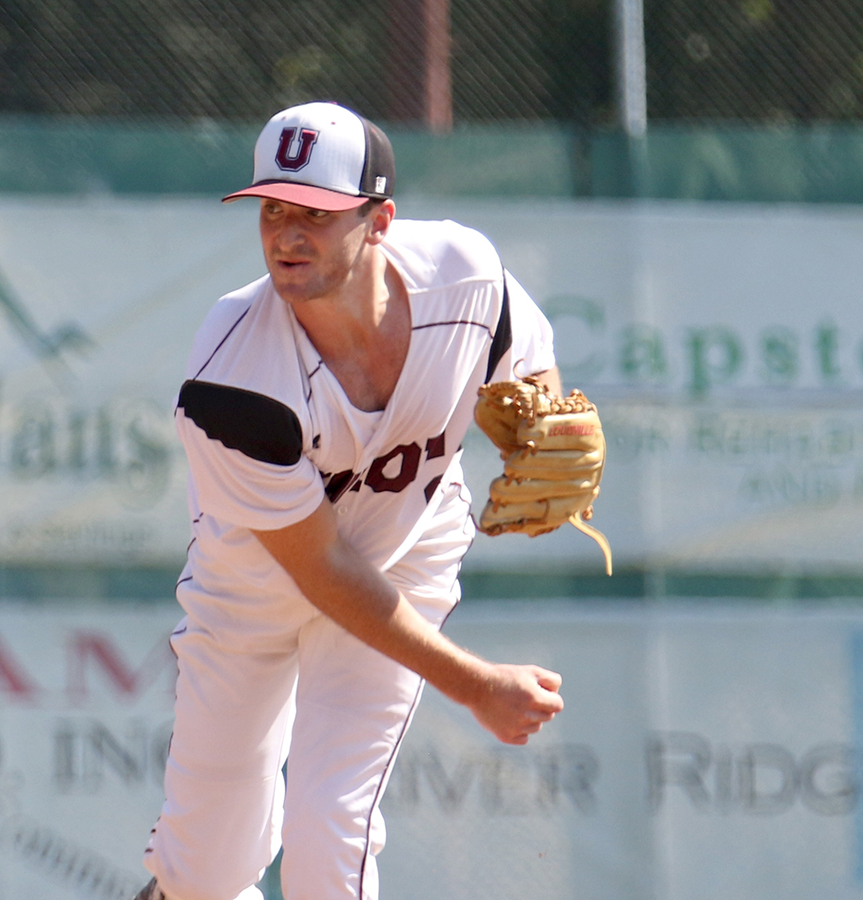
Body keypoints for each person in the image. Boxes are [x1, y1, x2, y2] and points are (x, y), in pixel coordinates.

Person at [138, 101, 565, 900]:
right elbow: (324, 572)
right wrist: (476, 686)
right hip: (256, 585)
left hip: (409, 551)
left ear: (380, 221)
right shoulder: (234, 376)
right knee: (208, 870)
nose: (286, 234)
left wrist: (542, 434)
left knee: (330, 839)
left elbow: (526, 375)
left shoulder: (467, 277)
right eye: (272, 209)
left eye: (316, 213)